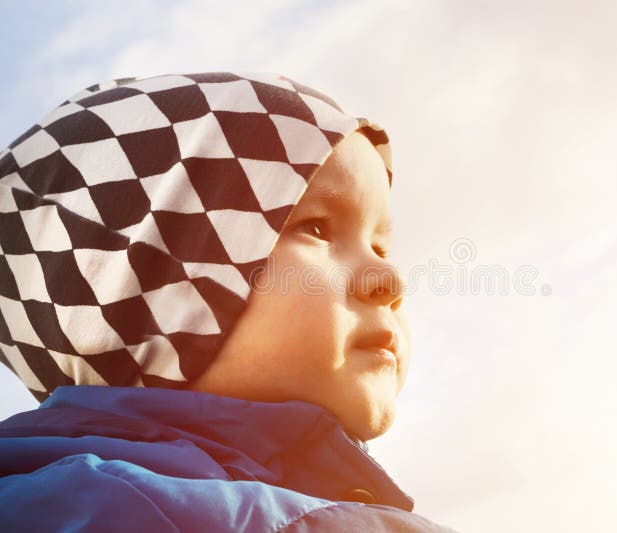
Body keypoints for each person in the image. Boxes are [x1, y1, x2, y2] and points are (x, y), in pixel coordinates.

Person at [0, 72, 458, 532]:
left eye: (380, 248)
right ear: (160, 290)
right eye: (316, 228)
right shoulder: (141, 513)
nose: (390, 279)